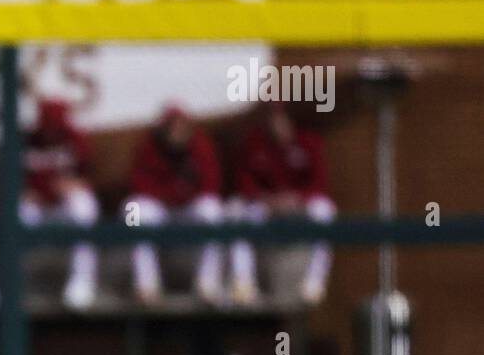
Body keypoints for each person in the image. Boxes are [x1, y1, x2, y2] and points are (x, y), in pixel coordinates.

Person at [227, 100, 336, 305]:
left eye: (280, 118)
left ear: (289, 120)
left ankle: (314, 282)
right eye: (271, 119)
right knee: (236, 211)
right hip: (265, 205)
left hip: (299, 205)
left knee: (324, 210)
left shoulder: (308, 142)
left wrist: (297, 198)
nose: (276, 124)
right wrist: (267, 199)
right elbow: (244, 183)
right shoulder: (255, 144)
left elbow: (319, 183)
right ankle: (243, 283)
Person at [122, 104, 225, 305]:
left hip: (188, 208)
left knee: (212, 210)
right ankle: (146, 286)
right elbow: (138, 184)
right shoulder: (149, 146)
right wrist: (171, 195)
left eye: (181, 126)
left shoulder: (200, 146)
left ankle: (207, 284)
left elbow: (211, 184)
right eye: (172, 126)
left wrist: (183, 196)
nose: (177, 131)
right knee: (132, 210)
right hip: (161, 207)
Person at [20, 98, 100, 310]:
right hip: (38, 207)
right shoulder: (27, 141)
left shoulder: (76, 140)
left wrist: (75, 184)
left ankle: (81, 282)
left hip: (63, 207)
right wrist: (25, 191)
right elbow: (13, 179)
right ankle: (16, 283)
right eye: (49, 126)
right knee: (17, 212)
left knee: (84, 206)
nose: (52, 131)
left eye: (56, 126)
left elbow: (89, 178)